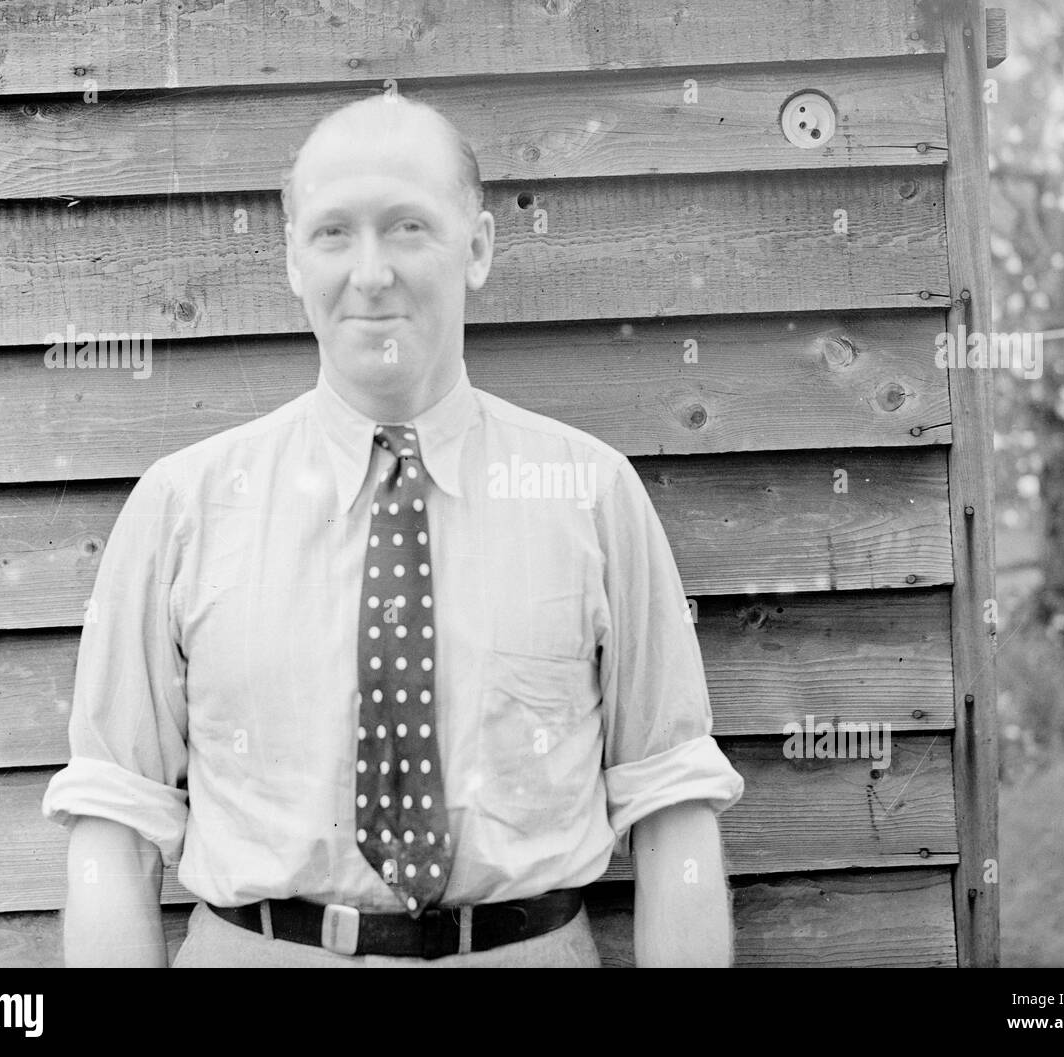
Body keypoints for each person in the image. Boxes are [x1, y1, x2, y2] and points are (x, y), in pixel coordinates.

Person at [42, 93, 744, 967]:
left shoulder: (590, 495)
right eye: (333, 232)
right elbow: (114, 823)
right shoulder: (181, 507)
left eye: (408, 226)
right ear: (294, 259)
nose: (370, 272)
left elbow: (674, 804)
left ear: (478, 246)